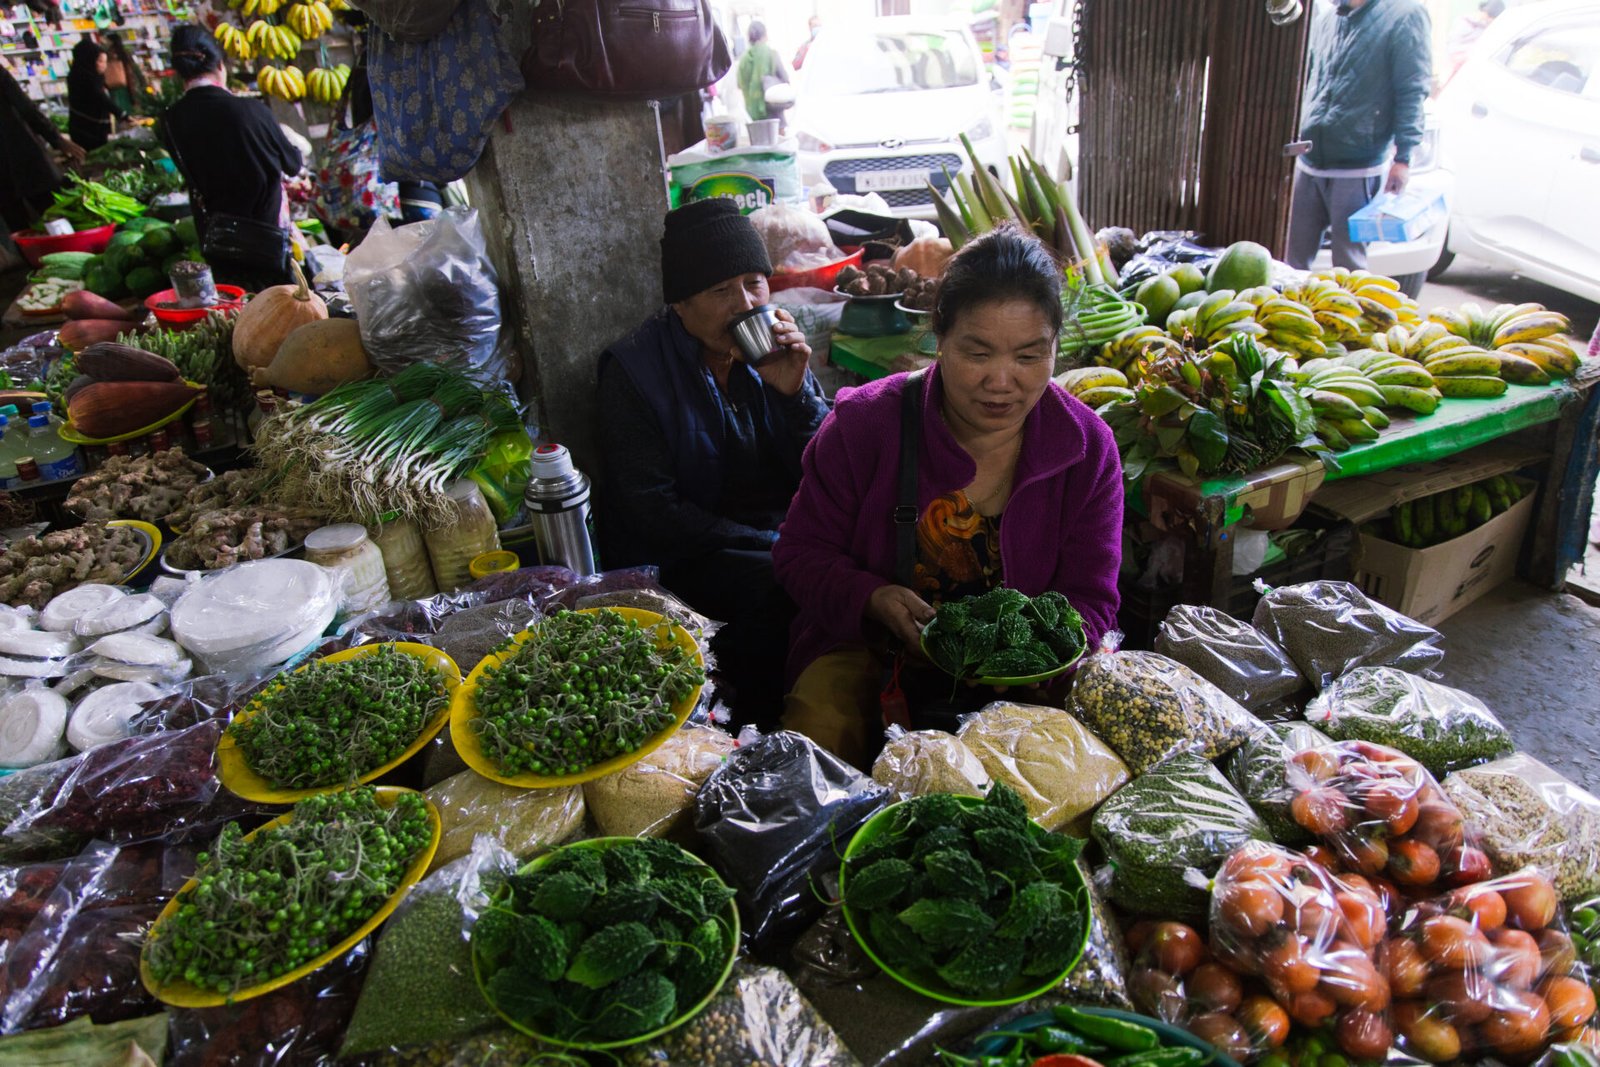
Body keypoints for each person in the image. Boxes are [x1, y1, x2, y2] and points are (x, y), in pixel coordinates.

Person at [773, 225, 1124, 768]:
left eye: (1030, 357)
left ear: (1057, 346)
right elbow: (799, 554)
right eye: (977, 353)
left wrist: (1026, 660)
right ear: (940, 336)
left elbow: (1092, 597)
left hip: (1018, 681)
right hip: (869, 653)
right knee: (816, 751)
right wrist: (873, 599)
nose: (1002, 381)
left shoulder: (1086, 448)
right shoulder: (865, 425)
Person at [596, 198, 829, 727]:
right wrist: (771, 544)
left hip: (766, 537)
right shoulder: (632, 372)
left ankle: (820, 712)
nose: (744, 303)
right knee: (778, 583)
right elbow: (653, 510)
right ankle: (761, 729)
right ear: (680, 303)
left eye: (754, 283)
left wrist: (796, 394)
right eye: (720, 290)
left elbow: (829, 465)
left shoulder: (772, 351)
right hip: (680, 556)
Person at [1286, 0, 1432, 272]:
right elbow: (1313, 78)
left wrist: (1404, 158)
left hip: (1359, 166)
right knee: (1291, 262)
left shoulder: (1406, 15)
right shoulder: (1329, 19)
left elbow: (1412, 91)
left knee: (1349, 269)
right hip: (1310, 160)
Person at [160, 24, 302, 289]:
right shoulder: (250, 110)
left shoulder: (170, 120)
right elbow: (292, 165)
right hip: (266, 241)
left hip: (218, 242)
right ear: (221, 66)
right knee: (282, 311)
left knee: (239, 313)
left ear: (180, 73)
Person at [1, 65, 85, 233]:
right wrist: (57, 139)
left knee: (18, 226)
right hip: (22, 153)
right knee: (54, 215)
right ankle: (66, 248)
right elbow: (26, 108)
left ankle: (34, 257)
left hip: (9, 167)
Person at [66, 37, 125, 152]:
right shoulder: (82, 79)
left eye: (105, 61)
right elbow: (100, 97)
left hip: (97, 130)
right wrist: (122, 114)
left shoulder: (95, 77)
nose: (104, 65)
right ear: (89, 60)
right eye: (100, 61)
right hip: (86, 132)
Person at [736, 20, 785, 122]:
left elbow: (740, 84)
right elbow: (785, 79)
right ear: (764, 35)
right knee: (778, 138)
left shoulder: (743, 60)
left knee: (757, 138)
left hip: (752, 116)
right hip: (774, 116)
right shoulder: (771, 54)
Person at [1446, 0, 1504, 80]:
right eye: (1490, 17)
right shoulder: (1465, 21)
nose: (1490, 20)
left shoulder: (1487, 27)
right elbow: (1453, 44)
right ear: (1485, 11)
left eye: (1493, 19)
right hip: (1457, 61)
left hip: (1472, 66)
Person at [101, 33, 145, 115]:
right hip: (128, 85)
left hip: (113, 86)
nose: (104, 42)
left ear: (111, 42)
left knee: (119, 108)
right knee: (130, 108)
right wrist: (142, 81)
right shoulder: (124, 53)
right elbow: (135, 69)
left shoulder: (106, 55)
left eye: (106, 40)